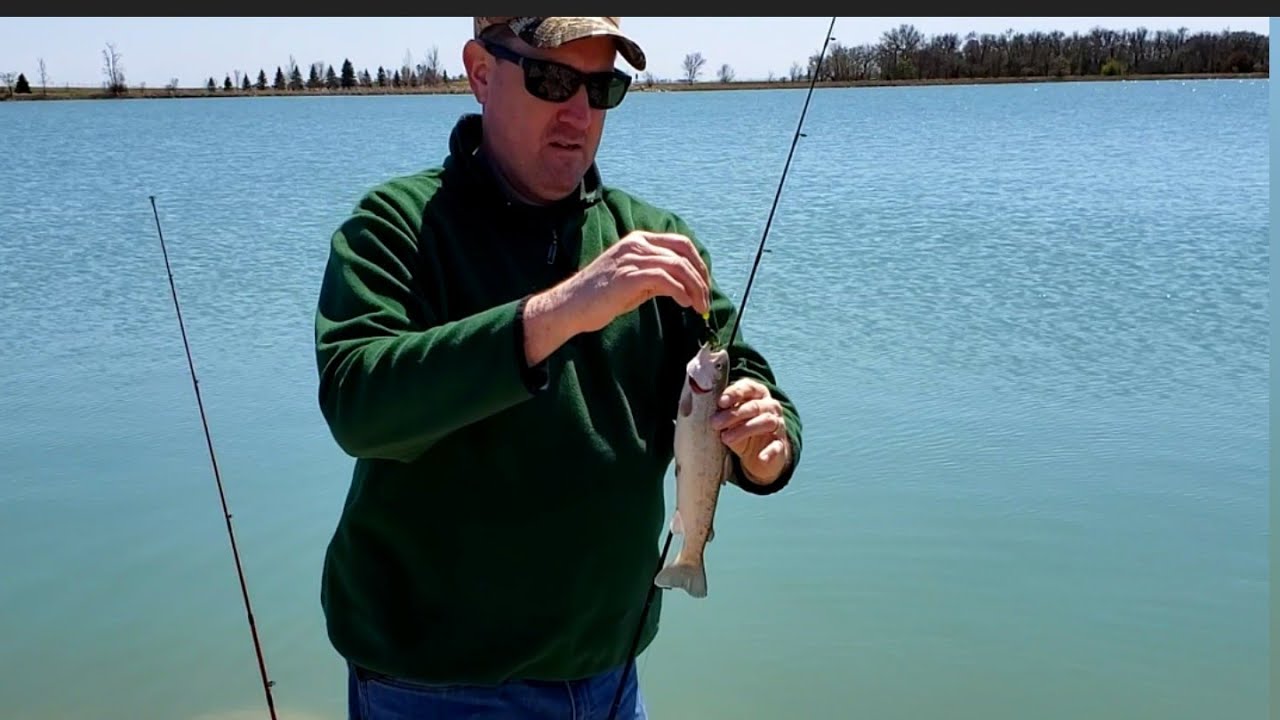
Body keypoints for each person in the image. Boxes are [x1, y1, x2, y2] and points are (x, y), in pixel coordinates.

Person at [313, 16, 804, 720]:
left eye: (602, 87)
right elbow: (358, 403)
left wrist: (765, 446)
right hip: (431, 688)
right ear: (481, 71)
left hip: (610, 676)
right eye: (552, 80)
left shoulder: (654, 243)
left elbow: (744, 375)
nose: (579, 112)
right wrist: (560, 311)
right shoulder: (396, 227)